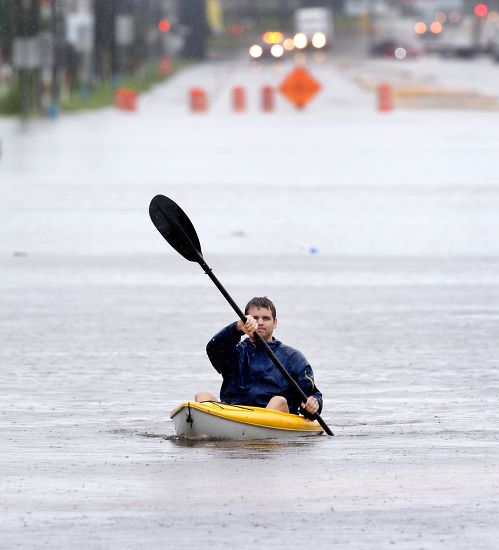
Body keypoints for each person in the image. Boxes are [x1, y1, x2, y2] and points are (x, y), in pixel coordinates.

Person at [195, 296, 323, 419]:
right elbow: (213, 348)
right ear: (245, 321)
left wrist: (314, 404)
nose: (260, 322)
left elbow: (312, 395)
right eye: (255, 318)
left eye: (266, 318)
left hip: (275, 415)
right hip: (235, 414)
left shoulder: (293, 357)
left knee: (278, 401)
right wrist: (236, 328)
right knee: (201, 396)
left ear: (275, 323)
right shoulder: (234, 353)